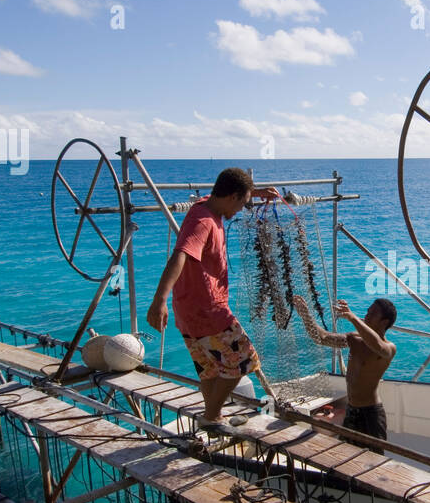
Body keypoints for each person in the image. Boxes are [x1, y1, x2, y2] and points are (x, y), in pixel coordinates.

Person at [147, 167, 280, 423]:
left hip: (187, 313)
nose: (241, 209)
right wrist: (158, 300)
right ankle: (210, 416)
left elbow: (230, 197)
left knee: (210, 371)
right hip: (208, 311)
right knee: (244, 360)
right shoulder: (203, 221)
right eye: (242, 203)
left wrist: (255, 192)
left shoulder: (206, 204)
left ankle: (214, 417)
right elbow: (180, 255)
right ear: (233, 197)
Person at [291, 295, 396, 441]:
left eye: (372, 314)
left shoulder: (389, 348)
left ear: (384, 322)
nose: (366, 316)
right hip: (351, 410)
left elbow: (377, 346)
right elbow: (321, 338)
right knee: (347, 453)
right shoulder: (355, 339)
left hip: (371, 413)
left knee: (374, 459)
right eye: (367, 312)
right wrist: (305, 315)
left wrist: (352, 317)